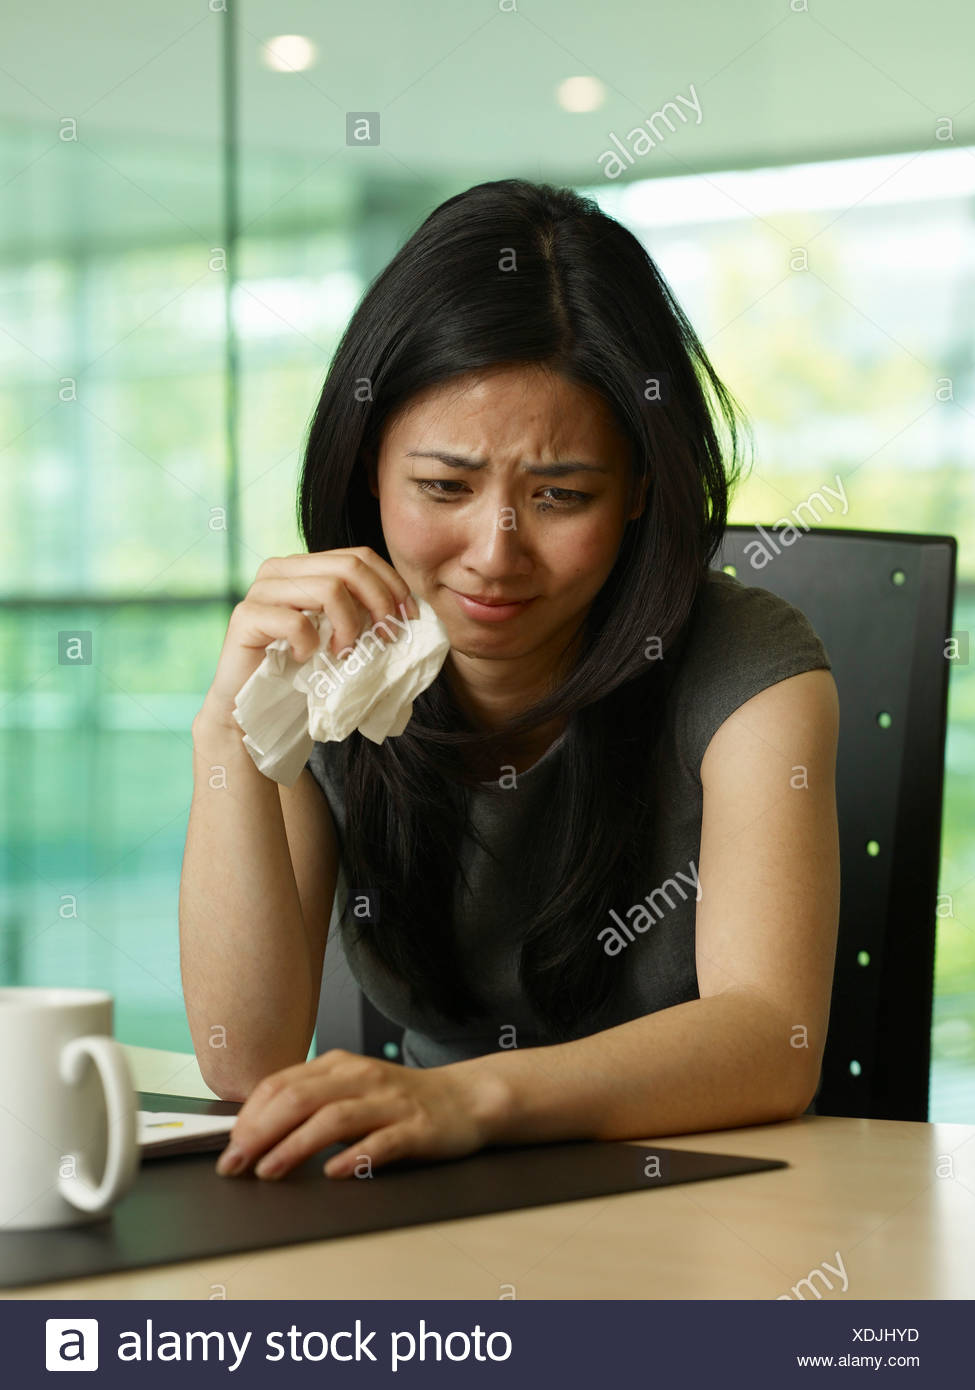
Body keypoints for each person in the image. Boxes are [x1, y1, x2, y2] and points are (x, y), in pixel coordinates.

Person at [180, 179, 840, 1184]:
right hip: (428, 1199)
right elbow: (245, 1055)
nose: (495, 553)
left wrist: (462, 1099)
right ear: (368, 467)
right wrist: (230, 735)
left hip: (701, 1197)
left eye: (560, 495)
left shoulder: (748, 667)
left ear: (640, 492)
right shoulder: (325, 666)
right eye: (444, 486)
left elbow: (770, 1039)